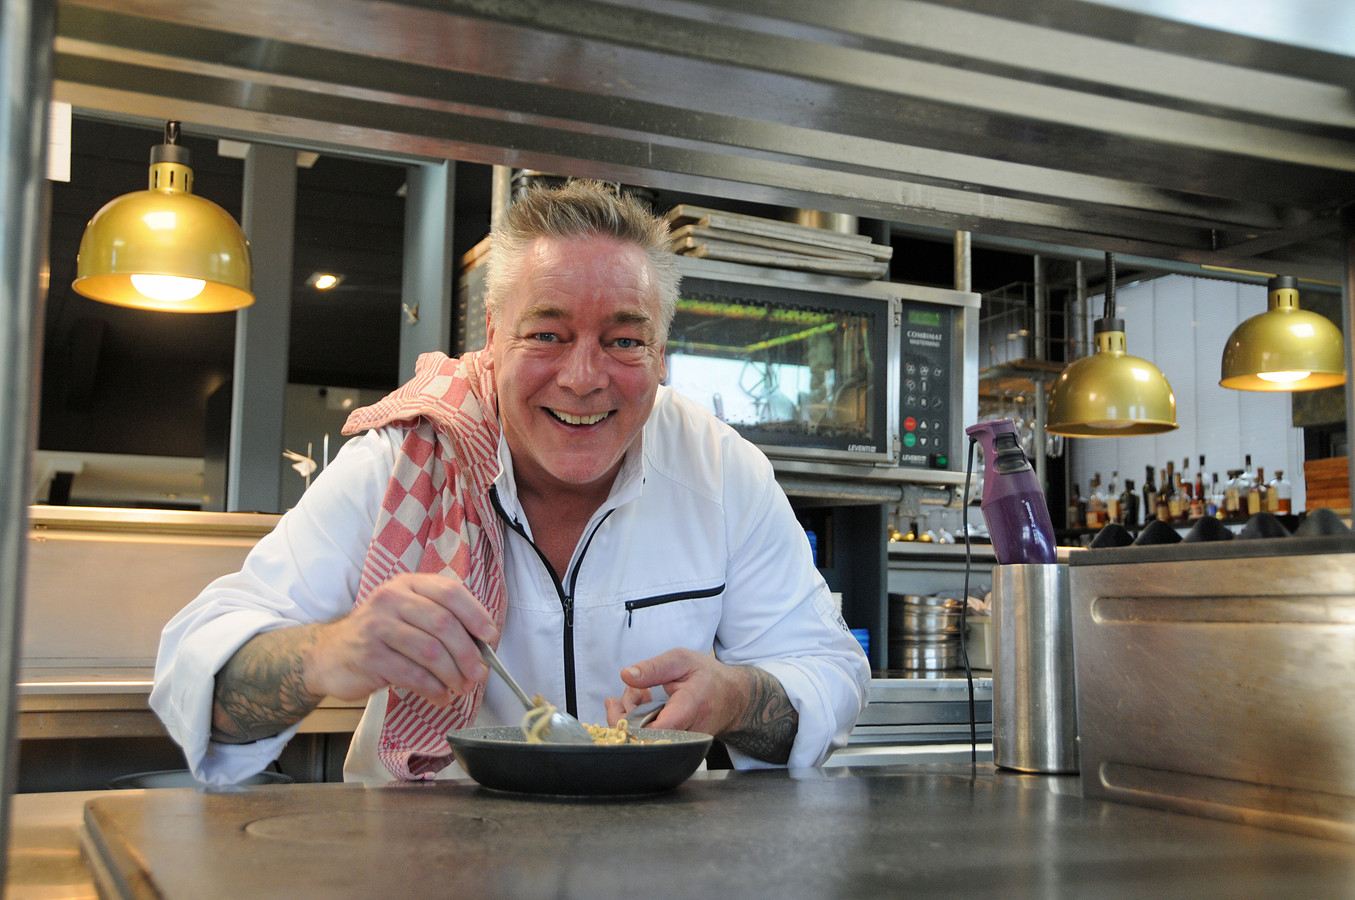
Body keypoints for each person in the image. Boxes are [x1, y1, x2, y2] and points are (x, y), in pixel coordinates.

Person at [151, 179, 870, 784]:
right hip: (421, 869)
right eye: (547, 334)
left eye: (622, 339)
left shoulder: (719, 469)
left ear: (660, 352)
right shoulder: (405, 461)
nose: (583, 379)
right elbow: (198, 671)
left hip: (653, 870)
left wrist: (736, 698)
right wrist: (327, 653)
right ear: (492, 337)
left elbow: (827, 671)